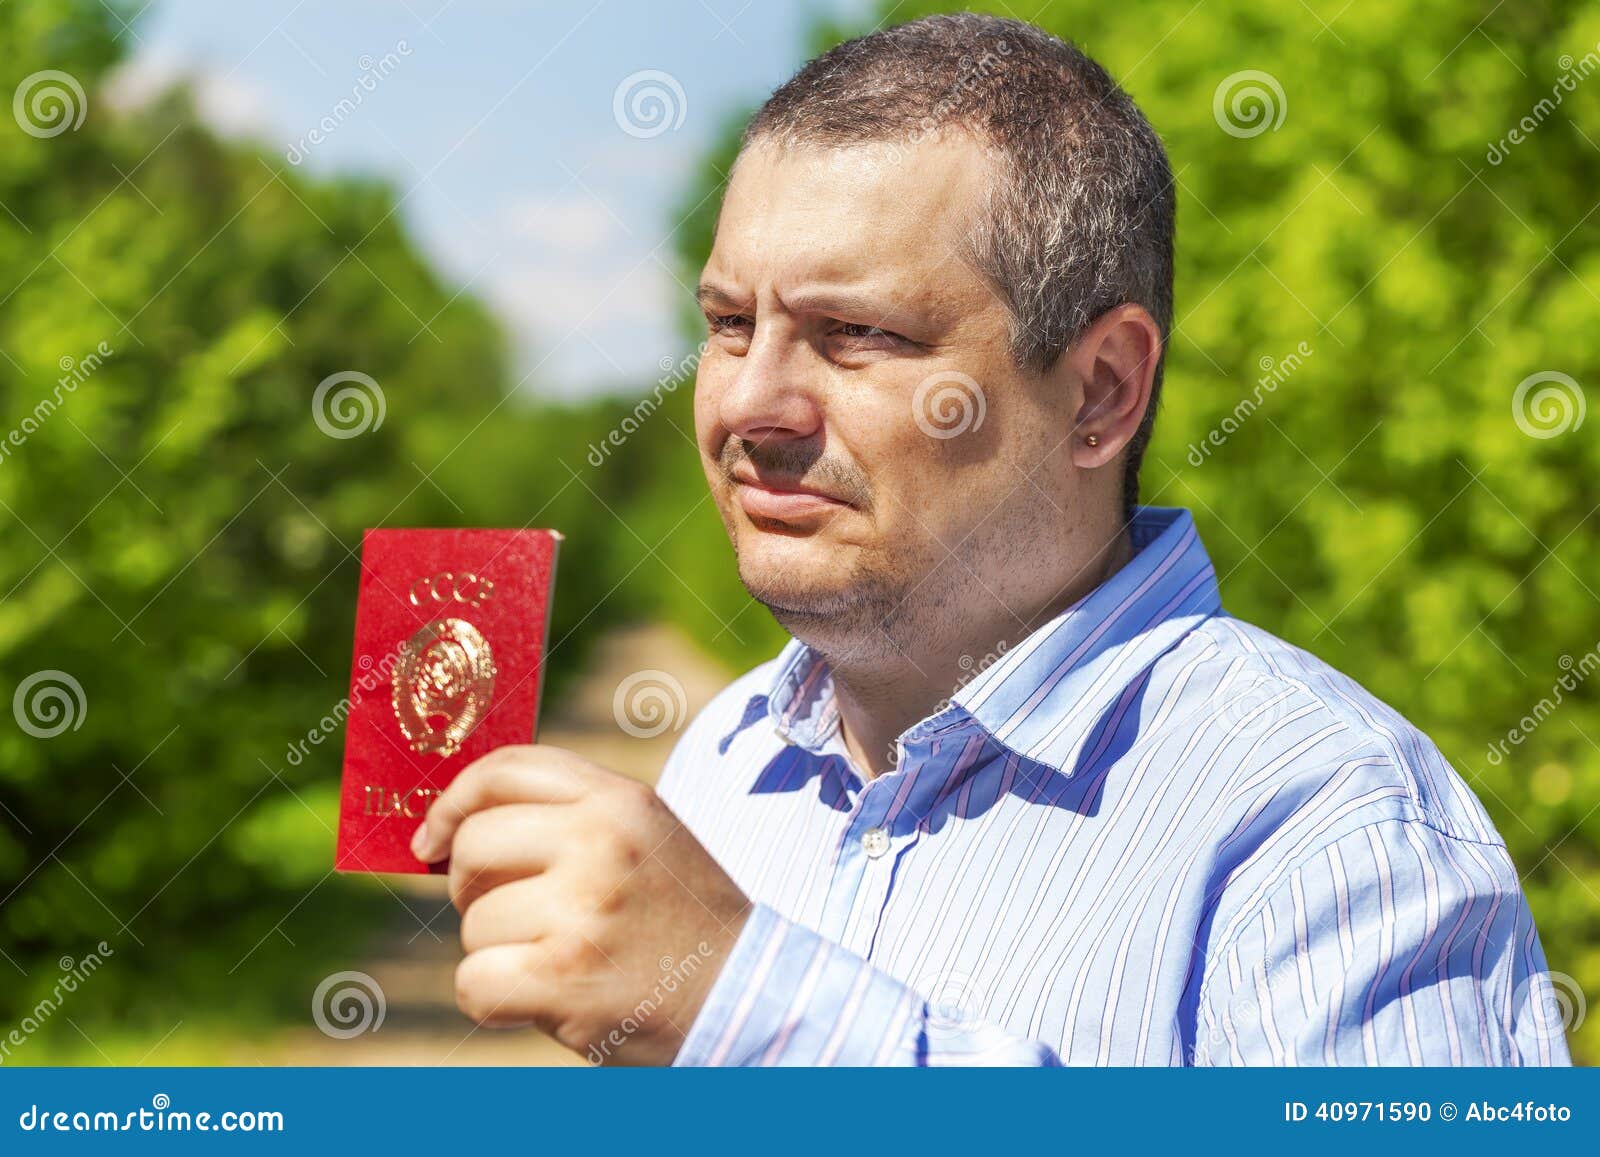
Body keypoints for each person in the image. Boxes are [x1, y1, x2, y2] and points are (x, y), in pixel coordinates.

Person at [410, 12, 1569, 1066]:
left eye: (853, 331)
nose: (748, 402)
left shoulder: (1331, 831)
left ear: (1100, 391)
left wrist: (754, 1009)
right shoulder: (723, 761)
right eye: (726, 323)